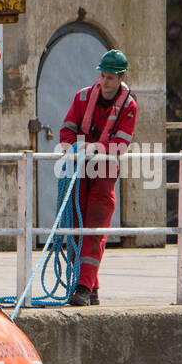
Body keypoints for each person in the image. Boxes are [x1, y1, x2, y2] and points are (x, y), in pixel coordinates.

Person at [58, 48, 138, 306]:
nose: (105, 82)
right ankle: (90, 288)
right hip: (79, 171)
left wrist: (97, 149)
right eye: (103, 76)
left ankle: (83, 287)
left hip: (105, 174)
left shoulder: (129, 107)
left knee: (94, 230)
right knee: (75, 229)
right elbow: (66, 131)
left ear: (121, 77)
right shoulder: (82, 98)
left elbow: (121, 145)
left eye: (111, 78)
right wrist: (77, 148)